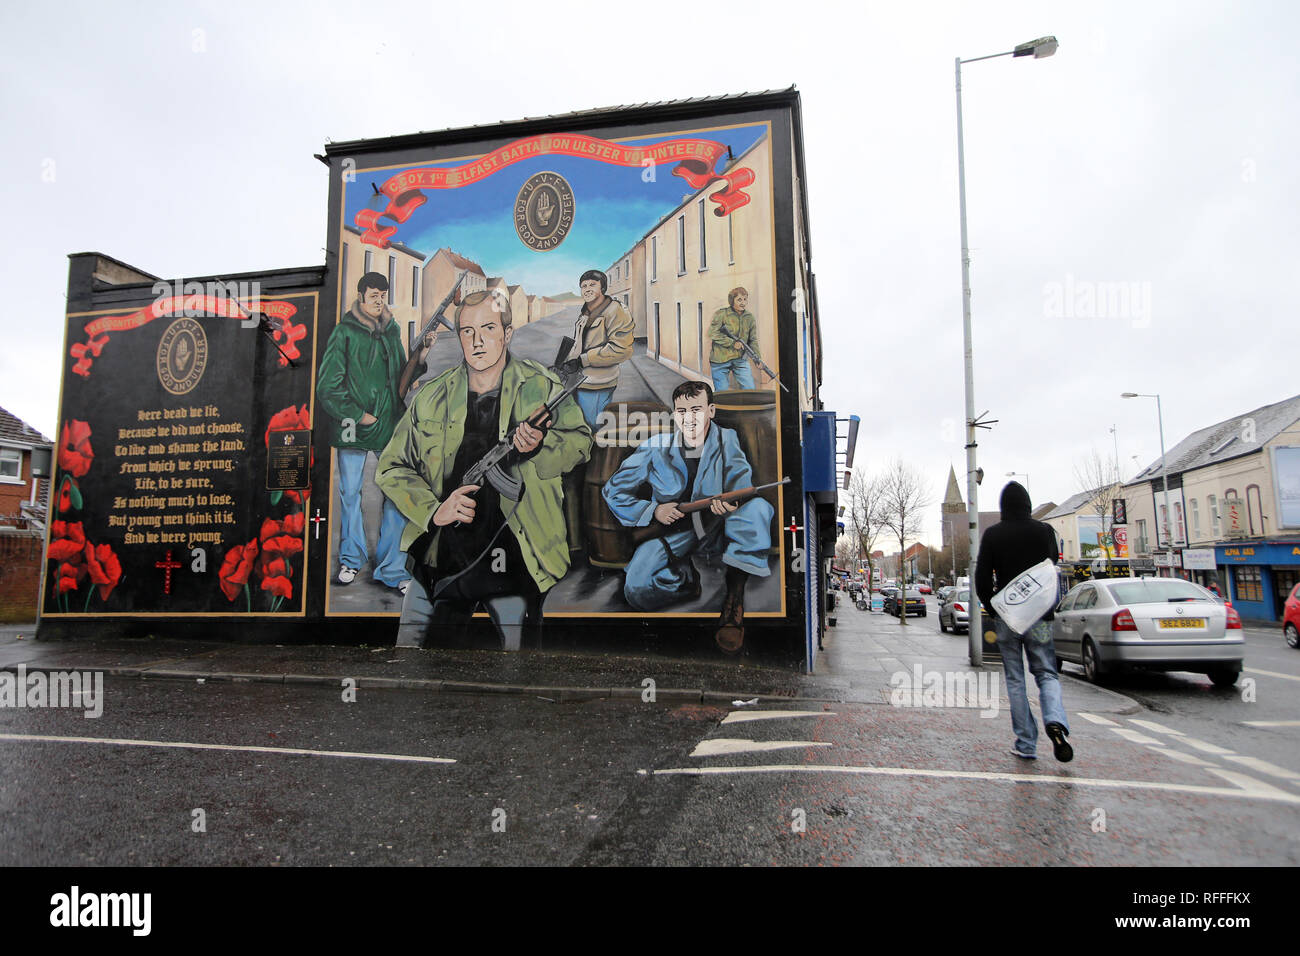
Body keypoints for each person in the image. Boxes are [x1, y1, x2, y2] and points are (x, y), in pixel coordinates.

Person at [376, 290, 592, 650]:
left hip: (521, 554)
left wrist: (539, 446)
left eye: (488, 328)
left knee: (520, 673)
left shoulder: (542, 387)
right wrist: (433, 510)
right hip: (442, 556)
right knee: (413, 662)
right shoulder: (432, 396)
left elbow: (580, 445)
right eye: (467, 332)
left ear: (507, 334)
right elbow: (391, 466)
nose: (477, 342)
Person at [601, 380, 773, 653]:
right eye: (682, 412)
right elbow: (614, 490)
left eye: (696, 409)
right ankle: (686, 582)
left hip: (718, 528)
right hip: (676, 533)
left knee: (758, 509)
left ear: (711, 410)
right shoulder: (657, 446)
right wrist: (652, 510)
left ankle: (733, 599)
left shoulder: (726, 439)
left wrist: (731, 503)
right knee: (636, 589)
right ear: (674, 414)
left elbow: (741, 482)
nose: (689, 418)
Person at [317, 272, 431, 592]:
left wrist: (420, 357)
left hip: (389, 424)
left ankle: (391, 569)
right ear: (360, 296)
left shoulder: (391, 330)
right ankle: (351, 560)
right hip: (353, 426)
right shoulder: (344, 334)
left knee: (394, 492)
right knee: (351, 494)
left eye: (383, 294)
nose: (379, 301)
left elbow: (400, 378)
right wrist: (357, 414)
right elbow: (327, 386)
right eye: (373, 295)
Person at [976, 481, 1073, 762]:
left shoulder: (993, 534)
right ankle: (1055, 721)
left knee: (1015, 679)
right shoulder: (1044, 531)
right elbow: (1051, 566)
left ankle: (1026, 743)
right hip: (1040, 616)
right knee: (1046, 673)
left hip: (1009, 616)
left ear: (1003, 507)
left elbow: (982, 578)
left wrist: (993, 608)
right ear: (1028, 505)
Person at [554, 270, 635, 425]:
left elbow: (622, 349)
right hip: (577, 382)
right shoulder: (585, 312)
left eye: (592, 284)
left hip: (598, 384)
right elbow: (580, 344)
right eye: (583, 286)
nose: (587, 289)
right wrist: (565, 362)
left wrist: (583, 360)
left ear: (603, 287)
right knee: (578, 428)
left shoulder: (615, 310)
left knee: (592, 429)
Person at [707, 287, 760, 392]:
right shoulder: (721, 314)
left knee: (750, 390)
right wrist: (732, 343)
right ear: (732, 301)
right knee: (722, 393)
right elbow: (712, 333)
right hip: (720, 359)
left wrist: (757, 359)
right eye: (739, 299)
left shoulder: (749, 318)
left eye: (745, 299)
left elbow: (752, 340)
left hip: (740, 359)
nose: (743, 302)